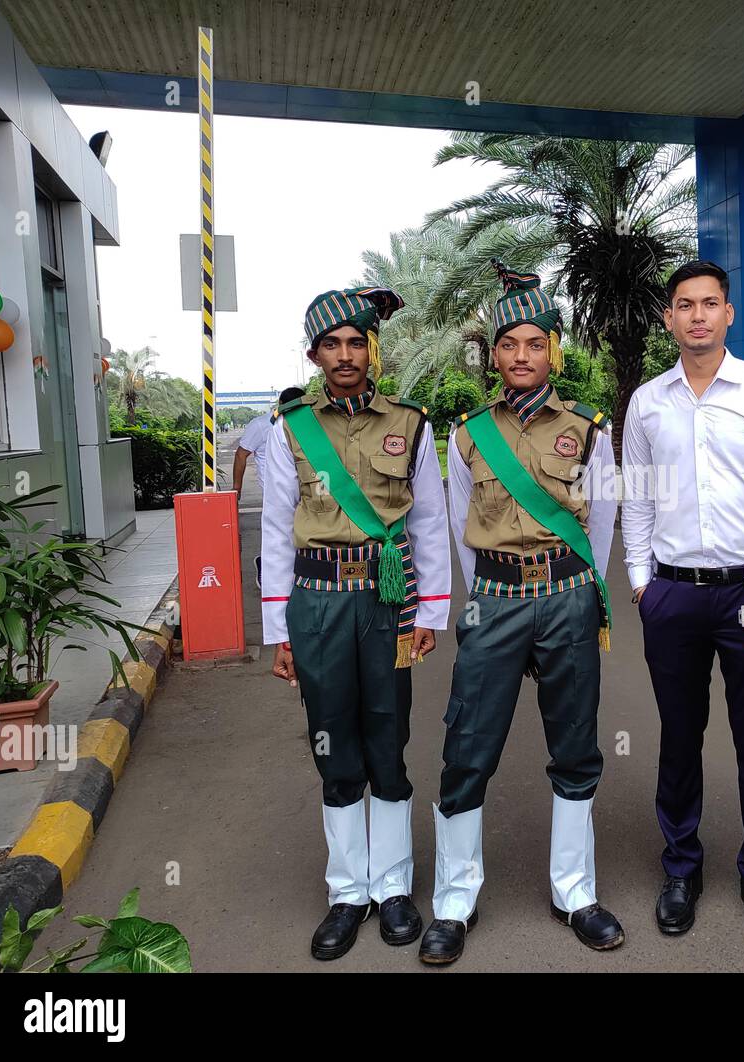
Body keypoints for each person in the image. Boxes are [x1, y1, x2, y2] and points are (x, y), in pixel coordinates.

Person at [418, 260, 621, 966]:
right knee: (468, 745)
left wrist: (567, 584)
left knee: (575, 747)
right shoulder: (467, 435)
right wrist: (493, 587)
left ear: (553, 351)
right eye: (510, 346)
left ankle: (575, 891)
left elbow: (602, 529)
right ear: (494, 355)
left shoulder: (591, 431)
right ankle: (454, 900)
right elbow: (454, 522)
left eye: (536, 344)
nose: (523, 357)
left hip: (566, 597)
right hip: (495, 599)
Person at [621, 260, 744, 946]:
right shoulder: (647, 402)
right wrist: (643, 584)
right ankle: (681, 867)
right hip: (674, 595)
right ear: (669, 318)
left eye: (710, 303)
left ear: (729, 314)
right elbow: (638, 500)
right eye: (685, 304)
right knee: (678, 737)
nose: (698, 315)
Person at [260, 287, 451, 961]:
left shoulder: (413, 423)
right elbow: (279, 534)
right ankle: (347, 891)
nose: (344, 356)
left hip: (385, 598)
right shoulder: (290, 429)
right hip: (315, 600)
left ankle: (394, 887)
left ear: (373, 348)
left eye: (355, 342)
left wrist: (431, 612)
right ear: (313, 353)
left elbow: (428, 520)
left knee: (387, 734)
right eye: (330, 344)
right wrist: (279, 631)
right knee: (332, 742)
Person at [235, 386, 304, 585]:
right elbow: (241, 454)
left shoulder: (309, 424)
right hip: (273, 492)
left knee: (300, 533)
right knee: (278, 534)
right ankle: (265, 566)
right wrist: (237, 488)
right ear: (280, 405)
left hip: (304, 491)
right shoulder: (261, 425)